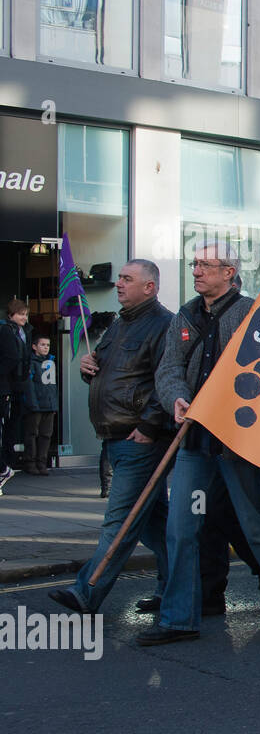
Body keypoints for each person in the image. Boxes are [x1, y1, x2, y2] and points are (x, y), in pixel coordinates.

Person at [140, 241, 260, 645]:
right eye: (195, 263)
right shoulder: (185, 315)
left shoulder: (252, 312)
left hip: (237, 440)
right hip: (195, 439)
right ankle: (178, 619)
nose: (197, 271)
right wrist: (176, 398)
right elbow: (169, 368)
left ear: (229, 272)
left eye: (206, 265)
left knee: (254, 524)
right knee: (181, 528)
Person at [46, 261, 174, 615]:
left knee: (120, 521)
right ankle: (179, 589)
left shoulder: (162, 324)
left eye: (127, 279)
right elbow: (107, 372)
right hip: (115, 436)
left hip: (140, 441)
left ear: (149, 287)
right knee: (155, 524)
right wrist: (89, 368)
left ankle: (86, 591)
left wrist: (149, 426)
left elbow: (167, 381)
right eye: (119, 278)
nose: (118, 284)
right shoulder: (120, 324)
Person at [0, 298, 32, 489]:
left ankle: (4, 467)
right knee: (9, 429)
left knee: (9, 429)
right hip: (13, 387)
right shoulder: (10, 331)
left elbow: (13, 358)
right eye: (21, 314)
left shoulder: (20, 331)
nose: (24, 318)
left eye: (26, 314)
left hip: (12, 387)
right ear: (11, 315)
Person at [22, 333, 57, 475]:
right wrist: (33, 404)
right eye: (42, 345)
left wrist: (54, 404)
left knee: (46, 435)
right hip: (35, 405)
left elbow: (53, 386)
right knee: (32, 434)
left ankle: (42, 463)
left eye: (48, 345)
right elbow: (29, 385)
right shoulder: (31, 363)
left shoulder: (51, 363)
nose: (46, 347)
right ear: (34, 346)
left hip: (49, 405)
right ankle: (30, 462)